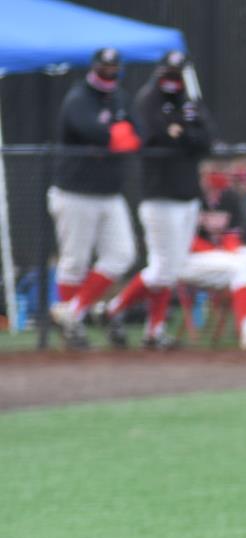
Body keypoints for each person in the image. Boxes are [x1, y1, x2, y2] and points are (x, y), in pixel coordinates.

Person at [105, 51, 212, 350]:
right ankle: (113, 309)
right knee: (163, 268)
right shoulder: (148, 99)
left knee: (172, 269)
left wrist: (184, 131)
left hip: (188, 197)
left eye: (176, 75)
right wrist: (180, 132)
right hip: (160, 197)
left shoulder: (190, 99)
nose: (172, 81)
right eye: (168, 74)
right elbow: (156, 135)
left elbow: (206, 139)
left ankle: (153, 331)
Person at [48, 48, 142, 349]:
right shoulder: (78, 98)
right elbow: (110, 137)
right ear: (94, 67)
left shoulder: (120, 97)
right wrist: (117, 134)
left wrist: (118, 135)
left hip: (109, 193)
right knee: (74, 261)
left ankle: (72, 313)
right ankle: (71, 330)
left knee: (123, 255)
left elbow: (136, 136)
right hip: (75, 192)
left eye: (114, 66)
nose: (110, 71)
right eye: (105, 66)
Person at [178, 160, 246, 349]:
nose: (215, 175)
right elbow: (187, 241)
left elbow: (233, 235)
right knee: (240, 267)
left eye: (219, 170)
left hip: (220, 256)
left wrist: (228, 251)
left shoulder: (230, 198)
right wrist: (221, 253)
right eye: (211, 171)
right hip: (190, 258)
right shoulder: (190, 199)